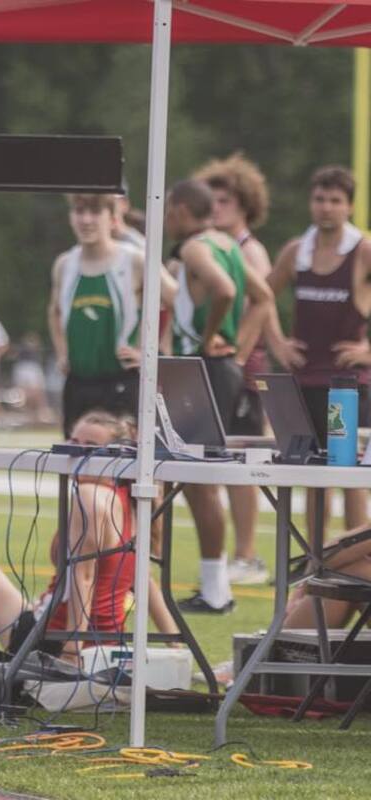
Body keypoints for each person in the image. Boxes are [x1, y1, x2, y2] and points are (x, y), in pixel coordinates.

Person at [164, 178, 278, 614]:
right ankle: (214, 585)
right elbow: (264, 296)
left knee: (197, 480)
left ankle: (215, 589)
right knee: (198, 478)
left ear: (177, 209)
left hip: (203, 368)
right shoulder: (228, 243)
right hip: (221, 368)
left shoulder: (194, 247)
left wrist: (210, 336)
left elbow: (227, 291)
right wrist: (240, 349)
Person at [0, 412, 138, 661]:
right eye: (73, 443)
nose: (77, 452)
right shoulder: (130, 498)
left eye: (90, 447)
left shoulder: (88, 495)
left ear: (114, 454)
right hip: (107, 642)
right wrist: (174, 641)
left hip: (54, 639)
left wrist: (72, 651)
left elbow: (83, 577)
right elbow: (144, 580)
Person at [268, 166, 371, 544]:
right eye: (319, 199)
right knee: (313, 478)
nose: (326, 208)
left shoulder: (362, 252)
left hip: (346, 387)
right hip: (303, 382)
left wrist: (368, 351)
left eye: (335, 201)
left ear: (350, 207)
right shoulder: (298, 250)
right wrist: (277, 343)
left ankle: (359, 565)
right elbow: (262, 298)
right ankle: (317, 561)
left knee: (350, 478)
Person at [195, 154, 274, 585]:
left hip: (242, 369)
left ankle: (247, 554)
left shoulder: (249, 249)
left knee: (243, 462)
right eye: (213, 200)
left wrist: (239, 358)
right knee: (212, 460)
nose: (217, 207)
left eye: (224, 200)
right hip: (216, 365)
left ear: (244, 204)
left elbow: (261, 307)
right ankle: (226, 556)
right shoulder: (214, 247)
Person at [48, 193, 175, 437]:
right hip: (78, 383)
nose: (86, 220)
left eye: (95, 212)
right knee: (75, 465)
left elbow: (178, 301)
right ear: (70, 217)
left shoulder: (135, 260)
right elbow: (54, 311)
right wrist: (62, 352)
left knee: (120, 470)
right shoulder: (64, 264)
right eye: (79, 211)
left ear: (113, 217)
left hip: (122, 382)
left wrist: (155, 353)